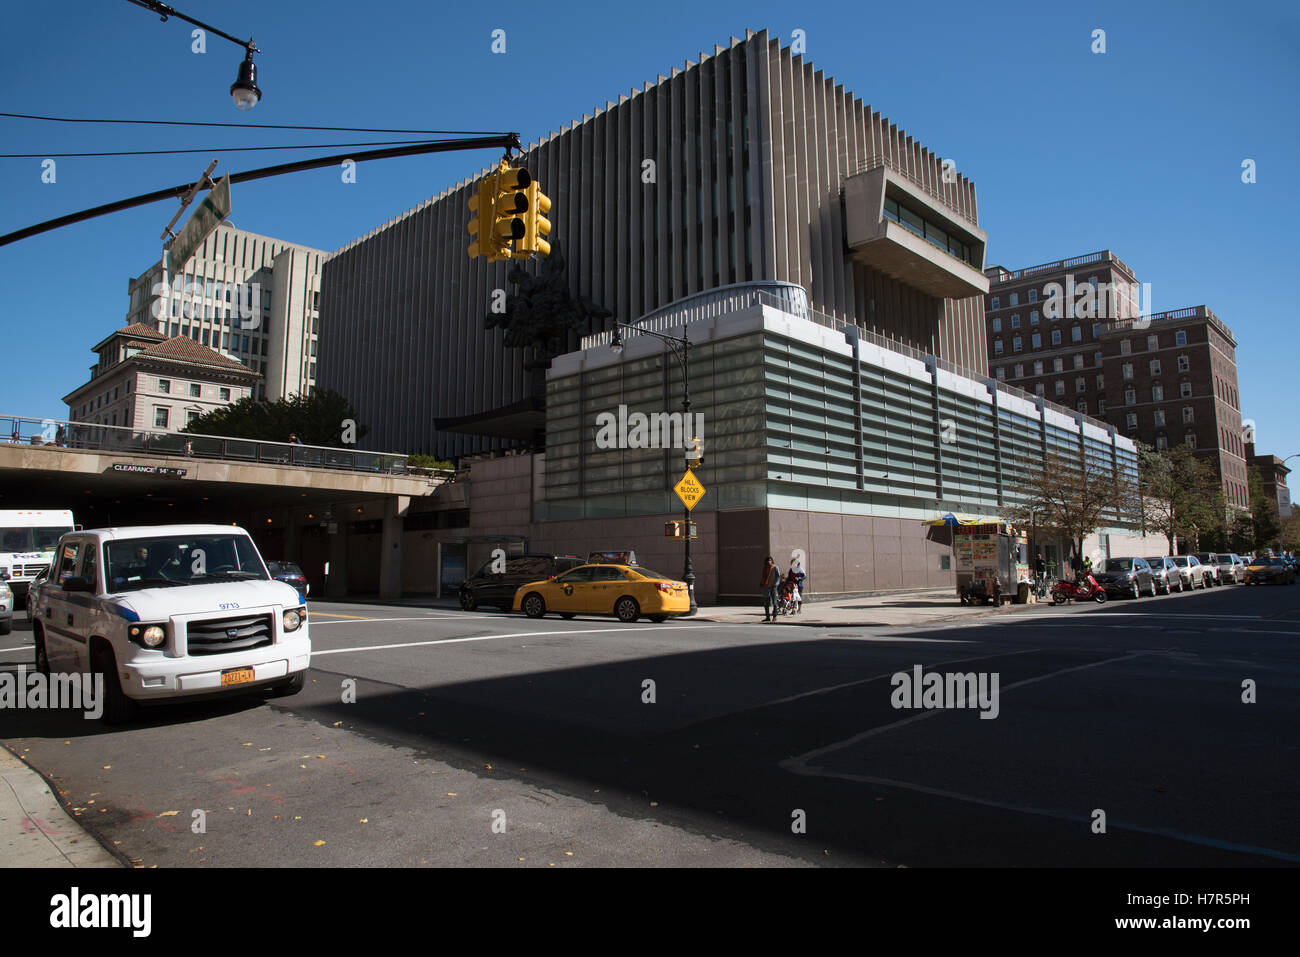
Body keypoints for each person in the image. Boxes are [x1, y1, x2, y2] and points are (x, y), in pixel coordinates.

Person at [760, 556, 782, 622]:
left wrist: (777, 583)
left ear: (772, 561)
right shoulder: (765, 568)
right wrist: (762, 583)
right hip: (766, 587)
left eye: (770, 560)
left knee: (775, 602)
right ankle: (767, 617)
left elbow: (778, 576)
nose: (769, 561)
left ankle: (775, 616)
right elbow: (763, 577)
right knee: (766, 603)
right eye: (767, 560)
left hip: (773, 587)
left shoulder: (775, 567)